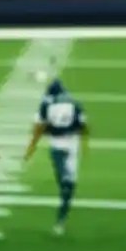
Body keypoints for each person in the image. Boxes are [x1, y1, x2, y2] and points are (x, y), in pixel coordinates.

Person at [23, 78, 88, 236]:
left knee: (63, 183)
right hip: (72, 144)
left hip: (57, 145)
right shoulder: (75, 103)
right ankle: (61, 221)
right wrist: (85, 145)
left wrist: (31, 149)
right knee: (69, 187)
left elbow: (38, 129)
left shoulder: (46, 106)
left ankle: (60, 220)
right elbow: (83, 127)